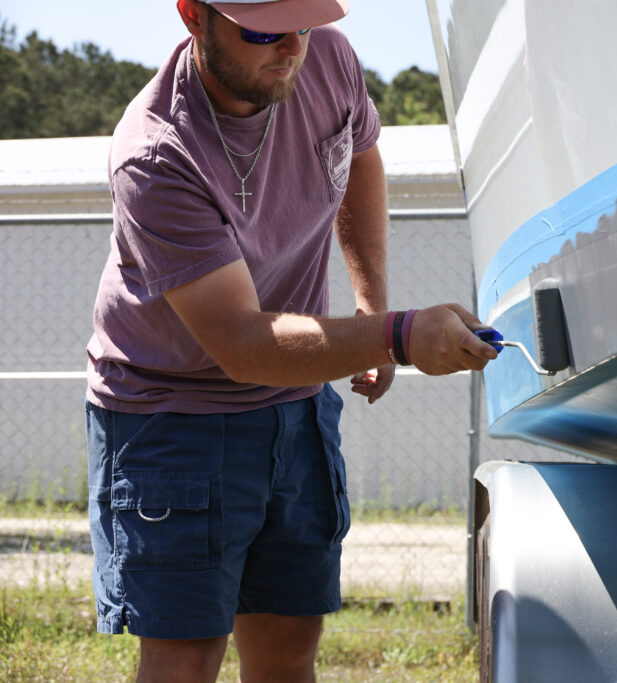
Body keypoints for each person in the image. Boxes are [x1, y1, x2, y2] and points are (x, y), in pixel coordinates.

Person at [84, 0, 497, 680]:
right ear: (194, 16)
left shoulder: (326, 57)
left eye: (303, 22)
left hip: (295, 406)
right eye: (264, 30)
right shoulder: (156, 153)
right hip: (171, 416)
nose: (291, 48)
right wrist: (393, 336)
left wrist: (372, 303)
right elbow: (243, 344)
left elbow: (360, 157)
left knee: (288, 649)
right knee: (185, 660)